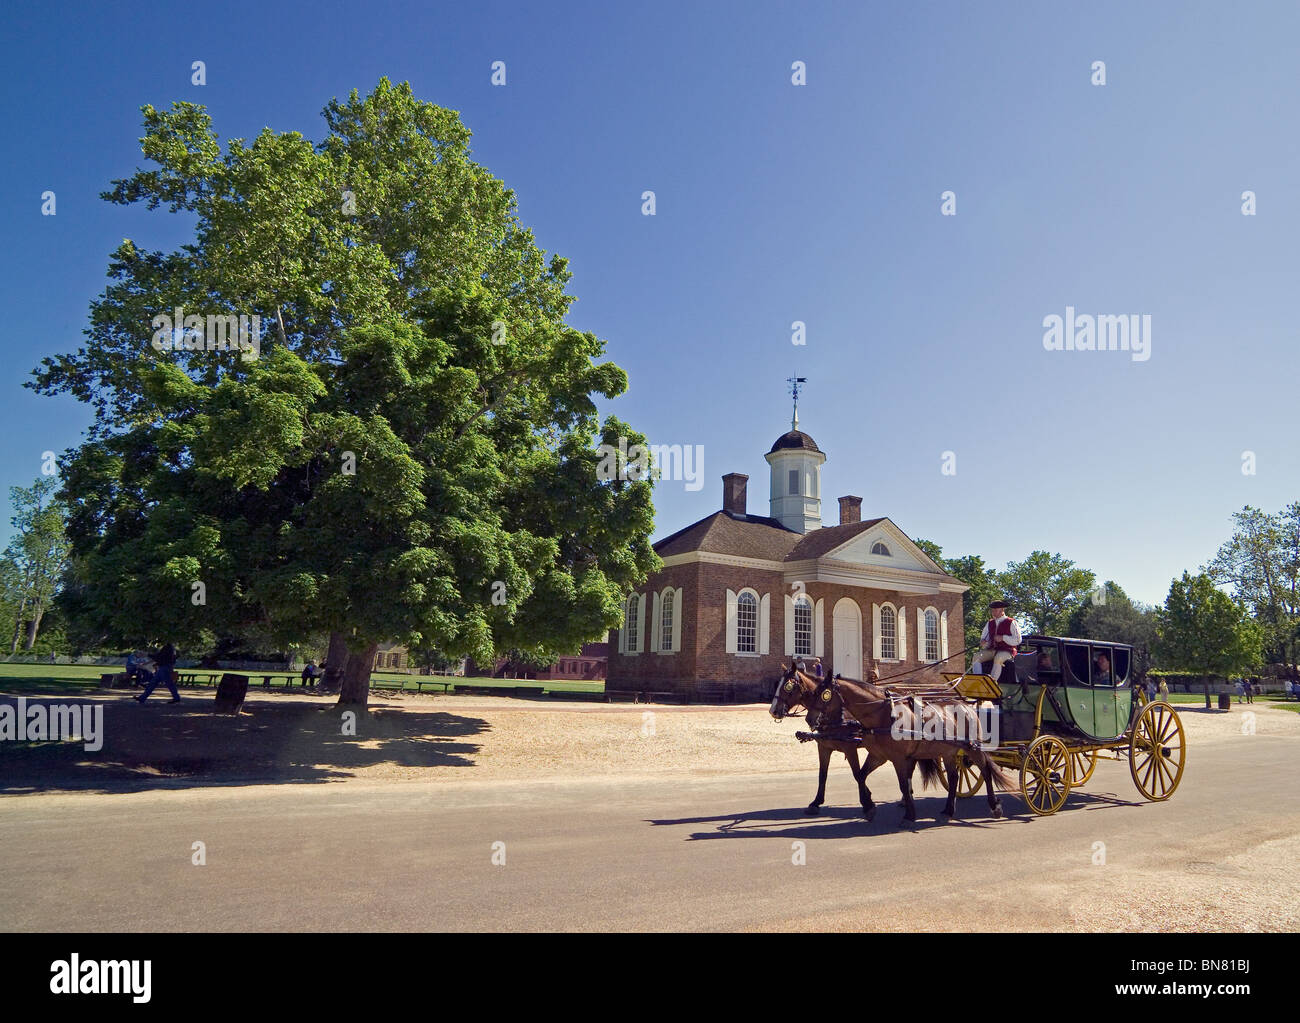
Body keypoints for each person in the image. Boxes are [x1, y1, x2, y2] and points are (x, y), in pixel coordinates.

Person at [969, 600, 1020, 679]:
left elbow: (1018, 640)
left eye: (996, 610)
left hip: (1008, 651)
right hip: (992, 650)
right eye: (992, 611)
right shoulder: (990, 623)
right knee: (976, 657)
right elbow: (986, 639)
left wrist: (1003, 638)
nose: (993, 613)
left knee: (998, 658)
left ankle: (992, 682)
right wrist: (984, 643)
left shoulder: (1012, 622)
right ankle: (978, 679)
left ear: (1002, 610)